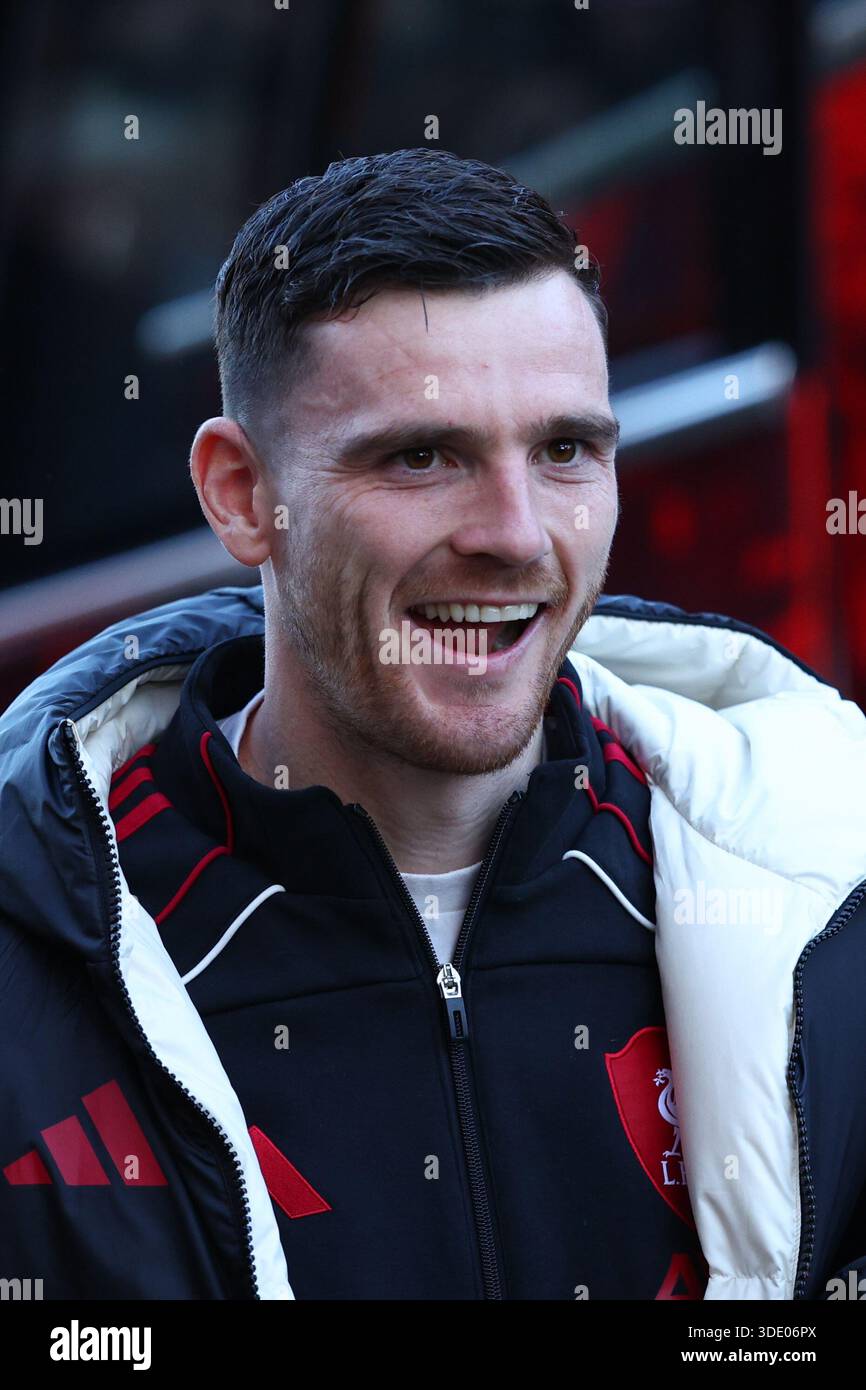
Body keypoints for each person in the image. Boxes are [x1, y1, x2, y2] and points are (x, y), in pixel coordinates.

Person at [1, 147, 865, 1302]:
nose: (513, 533)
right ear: (242, 496)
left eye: (563, 449)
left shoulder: (824, 892)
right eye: (421, 455)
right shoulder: (43, 961)